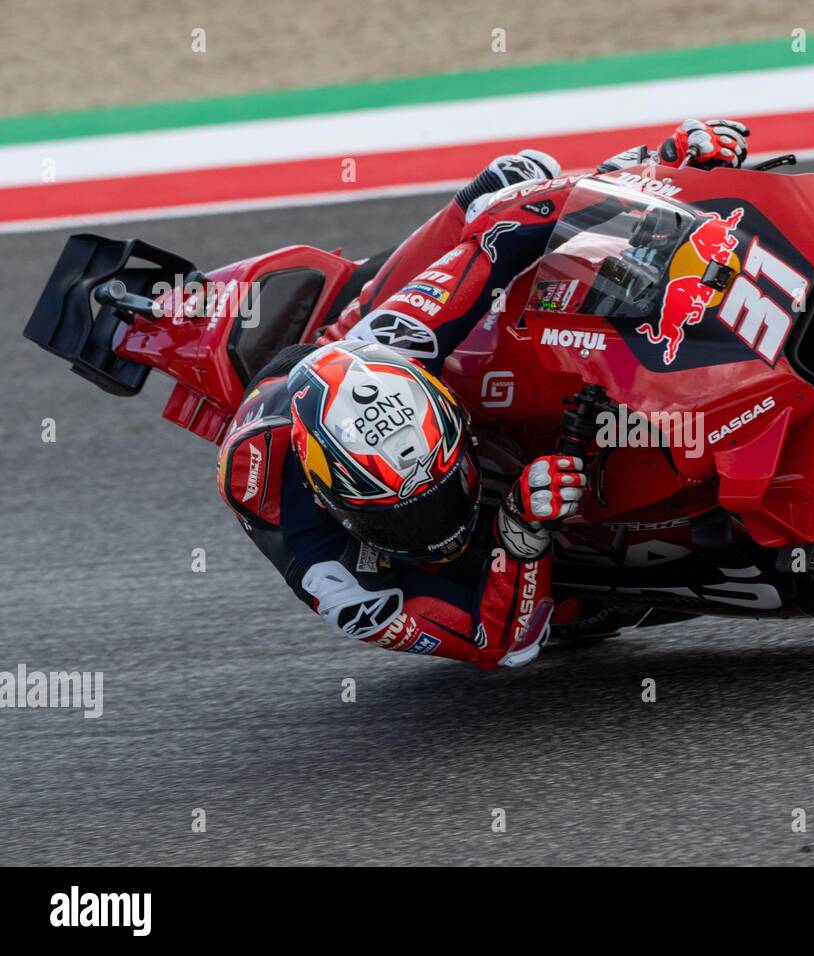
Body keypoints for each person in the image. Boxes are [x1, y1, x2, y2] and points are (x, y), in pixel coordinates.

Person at [215, 119, 751, 669]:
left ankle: (452, 211)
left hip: (349, 351)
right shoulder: (336, 579)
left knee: (514, 182)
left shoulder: (403, 344)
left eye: (446, 489)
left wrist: (660, 167)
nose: (442, 523)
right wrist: (519, 533)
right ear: (339, 505)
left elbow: (517, 225)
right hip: (326, 437)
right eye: (408, 517)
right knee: (567, 611)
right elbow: (500, 644)